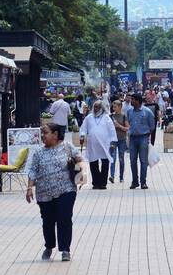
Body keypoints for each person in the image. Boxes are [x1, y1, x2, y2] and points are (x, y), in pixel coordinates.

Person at [26, 121, 80, 261]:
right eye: (42, 133)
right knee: (48, 221)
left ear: (55, 134)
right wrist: (29, 188)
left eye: (45, 133)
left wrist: (81, 175)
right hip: (44, 193)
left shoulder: (67, 147)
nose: (43, 136)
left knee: (64, 218)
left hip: (66, 189)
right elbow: (33, 171)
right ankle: (49, 245)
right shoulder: (38, 152)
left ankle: (65, 249)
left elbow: (79, 159)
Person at [80, 99, 116, 189]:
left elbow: (112, 130)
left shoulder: (107, 117)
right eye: (95, 107)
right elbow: (83, 128)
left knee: (105, 162)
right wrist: (82, 136)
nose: (96, 108)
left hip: (104, 144)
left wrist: (112, 142)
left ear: (102, 108)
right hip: (92, 144)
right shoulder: (89, 117)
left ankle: (103, 183)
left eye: (98, 107)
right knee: (93, 162)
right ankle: (96, 183)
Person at [125, 93, 155, 189]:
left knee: (143, 161)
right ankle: (135, 181)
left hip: (143, 138)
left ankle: (143, 182)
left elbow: (152, 126)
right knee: (132, 161)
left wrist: (147, 136)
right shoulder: (130, 111)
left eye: (133, 99)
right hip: (133, 138)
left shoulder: (147, 112)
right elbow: (129, 123)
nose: (131, 101)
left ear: (138, 101)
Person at [110, 99, 129, 183]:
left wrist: (118, 126)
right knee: (112, 158)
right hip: (113, 140)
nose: (114, 108)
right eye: (113, 107)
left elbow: (127, 128)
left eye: (115, 107)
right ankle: (112, 176)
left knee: (121, 158)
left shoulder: (124, 116)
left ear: (120, 107)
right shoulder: (110, 116)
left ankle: (121, 177)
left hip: (122, 139)